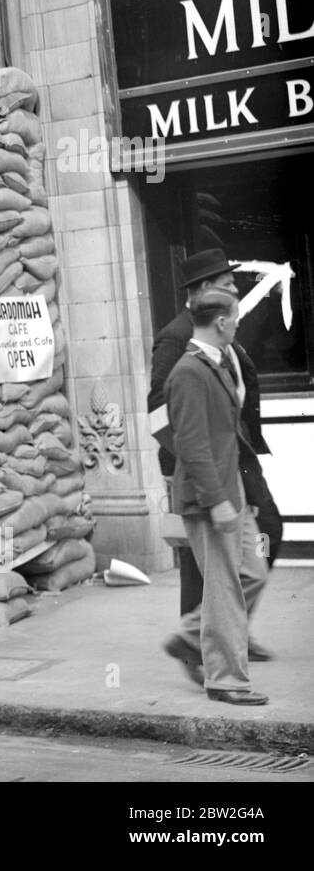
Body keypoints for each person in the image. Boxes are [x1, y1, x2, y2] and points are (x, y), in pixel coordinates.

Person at [148, 249, 283, 626]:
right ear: (205, 288)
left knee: (267, 531)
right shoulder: (176, 337)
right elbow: (159, 413)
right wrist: (195, 462)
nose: (235, 289)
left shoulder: (223, 325)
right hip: (204, 464)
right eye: (227, 284)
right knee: (203, 562)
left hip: (237, 456)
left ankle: (223, 629)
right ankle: (203, 641)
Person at [161, 290, 270, 705]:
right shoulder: (189, 371)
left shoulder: (219, 362)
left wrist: (240, 492)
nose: (239, 323)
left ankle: (190, 638)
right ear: (221, 322)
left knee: (253, 573)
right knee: (224, 587)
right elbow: (190, 443)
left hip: (232, 489)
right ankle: (226, 679)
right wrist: (217, 499)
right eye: (236, 318)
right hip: (212, 497)